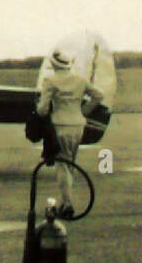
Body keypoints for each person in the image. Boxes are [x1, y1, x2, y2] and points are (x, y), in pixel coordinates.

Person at [35, 49, 106, 217]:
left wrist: (39, 110)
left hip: (60, 126)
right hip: (78, 125)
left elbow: (43, 110)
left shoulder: (50, 80)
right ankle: (66, 201)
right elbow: (99, 96)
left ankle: (67, 203)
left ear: (53, 64)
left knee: (62, 165)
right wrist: (83, 112)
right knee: (70, 164)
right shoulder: (79, 80)